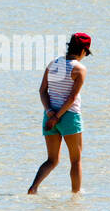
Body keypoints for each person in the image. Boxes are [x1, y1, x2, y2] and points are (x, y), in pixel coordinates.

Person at [27, 32, 91, 195]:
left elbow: (42, 91)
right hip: (69, 117)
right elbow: (72, 97)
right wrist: (58, 117)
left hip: (48, 117)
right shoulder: (79, 69)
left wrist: (50, 112)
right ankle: (75, 197)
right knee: (75, 161)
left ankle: (33, 188)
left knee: (52, 160)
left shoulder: (53, 64)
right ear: (84, 50)